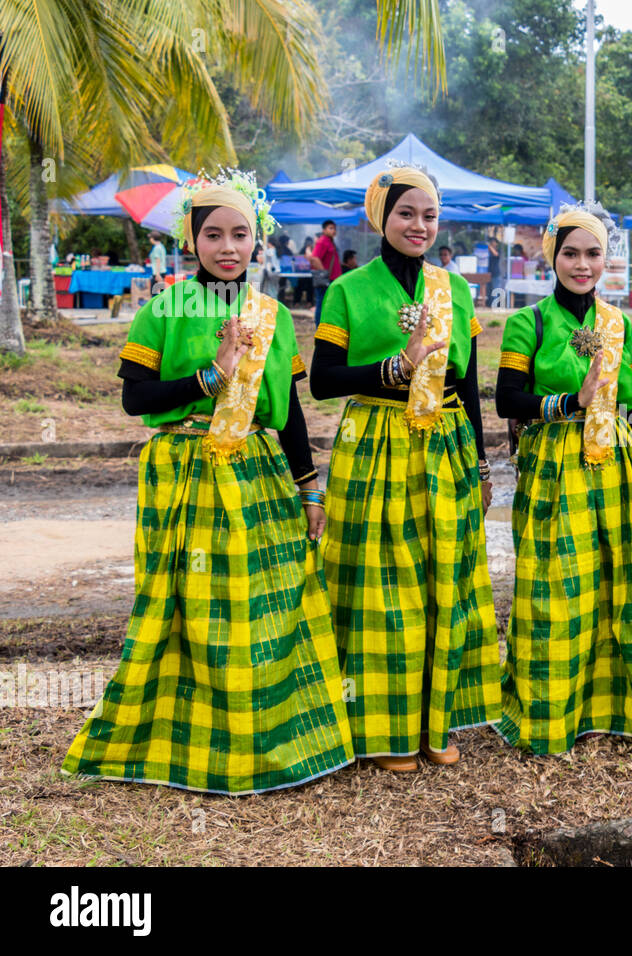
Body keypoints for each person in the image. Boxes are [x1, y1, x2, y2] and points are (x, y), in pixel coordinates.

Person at [63, 173, 354, 795]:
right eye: (213, 234)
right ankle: (177, 737)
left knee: (262, 603)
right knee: (186, 601)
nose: (227, 246)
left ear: (258, 240)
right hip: (184, 470)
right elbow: (135, 398)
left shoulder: (272, 314)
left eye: (240, 234)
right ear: (191, 240)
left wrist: (310, 489)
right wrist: (209, 376)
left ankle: (262, 737)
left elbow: (291, 411)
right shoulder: (163, 308)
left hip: (256, 471)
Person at [311, 167, 499, 770]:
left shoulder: (456, 291)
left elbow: (467, 383)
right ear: (380, 218)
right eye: (406, 214)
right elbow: (321, 382)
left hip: (446, 442)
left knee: (446, 578)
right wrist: (395, 366)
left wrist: (481, 462)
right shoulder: (348, 290)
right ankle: (386, 727)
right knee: (384, 584)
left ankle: (436, 720)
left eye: (430, 216)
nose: (419, 226)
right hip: (377, 442)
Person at [495, 202, 632, 755]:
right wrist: (571, 400)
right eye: (570, 252)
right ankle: (551, 715)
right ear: (553, 256)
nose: (582, 264)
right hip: (554, 460)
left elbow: (627, 400)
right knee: (557, 586)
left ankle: (611, 706)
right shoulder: (530, 322)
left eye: (593, 253)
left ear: (606, 259)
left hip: (615, 461)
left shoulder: (617, 323)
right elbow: (507, 398)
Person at [309, 219, 342, 325]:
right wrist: (324, 273)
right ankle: (319, 326)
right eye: (331, 228)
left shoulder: (329, 241)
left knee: (327, 303)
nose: (334, 231)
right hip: (326, 280)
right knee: (321, 303)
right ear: (324, 230)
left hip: (331, 279)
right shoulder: (323, 241)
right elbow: (314, 258)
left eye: (334, 228)